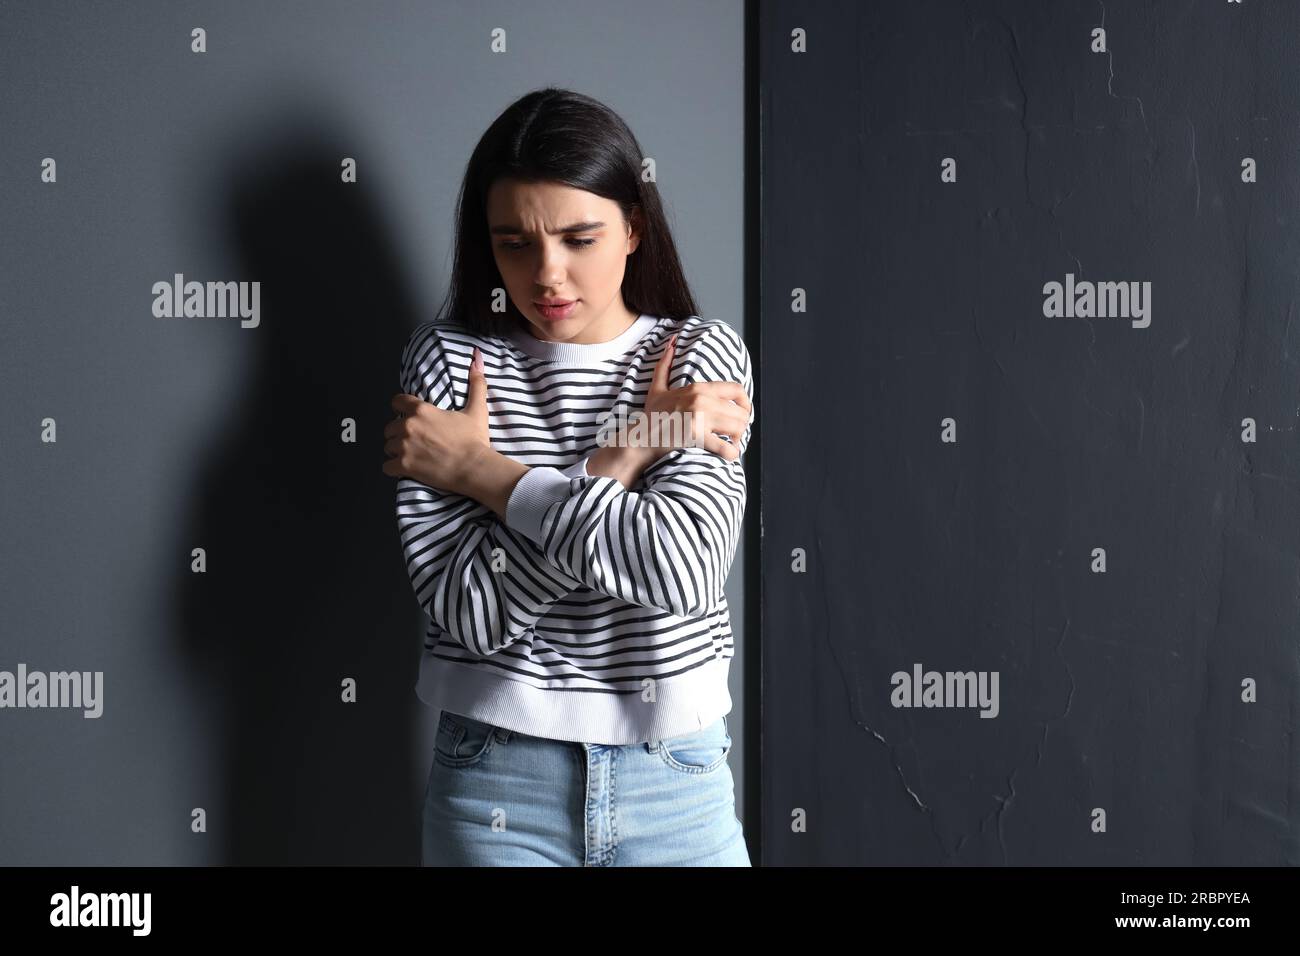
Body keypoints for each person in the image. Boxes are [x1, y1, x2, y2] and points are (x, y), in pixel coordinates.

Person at [382, 87, 755, 866]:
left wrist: (485, 472)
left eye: (579, 237)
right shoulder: (449, 360)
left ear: (634, 229)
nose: (547, 274)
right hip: (495, 784)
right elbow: (472, 612)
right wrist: (622, 455)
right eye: (513, 243)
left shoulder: (697, 358)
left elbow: (681, 567)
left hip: (675, 781)